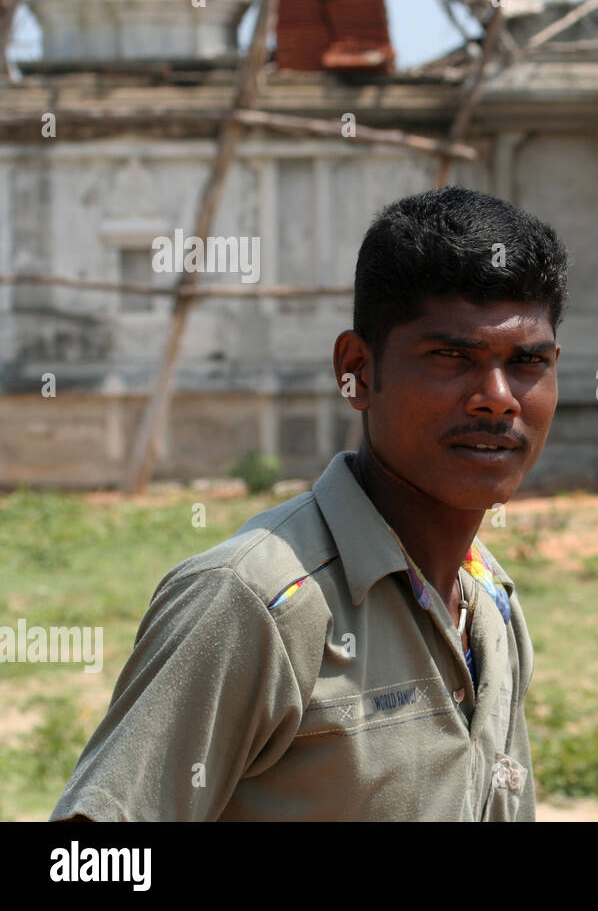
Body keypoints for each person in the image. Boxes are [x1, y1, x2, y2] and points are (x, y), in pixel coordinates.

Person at [50, 187, 568, 821]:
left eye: (526, 362)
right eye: (450, 356)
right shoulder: (256, 600)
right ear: (358, 370)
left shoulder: (490, 606)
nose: (497, 398)